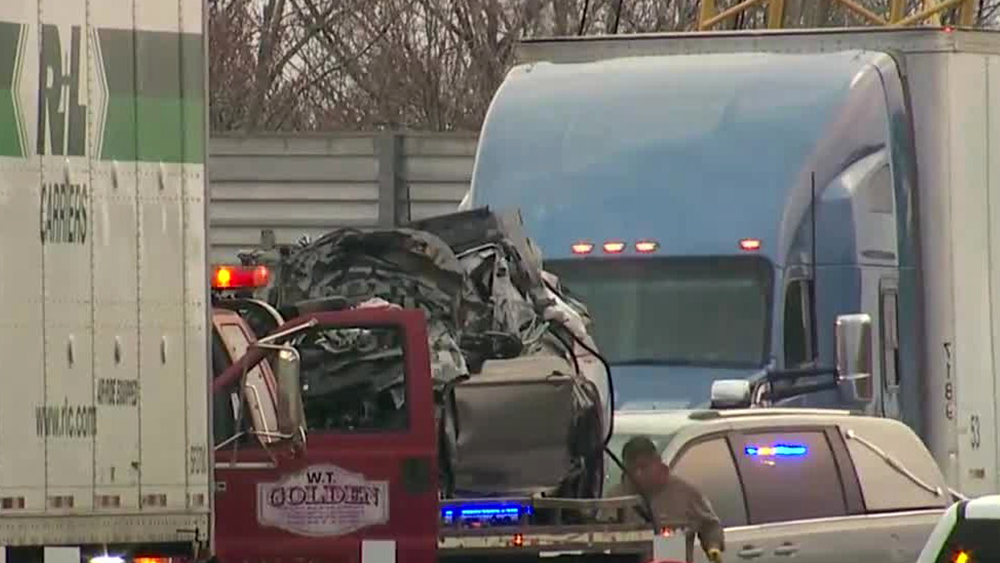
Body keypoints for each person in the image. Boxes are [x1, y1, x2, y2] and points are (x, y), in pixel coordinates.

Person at [603, 435, 725, 563]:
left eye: (644, 467)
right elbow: (598, 538)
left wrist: (713, 547)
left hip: (669, 557)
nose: (638, 474)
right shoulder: (615, 498)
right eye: (633, 469)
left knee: (669, 536)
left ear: (657, 462)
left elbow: (710, 525)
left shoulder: (684, 493)